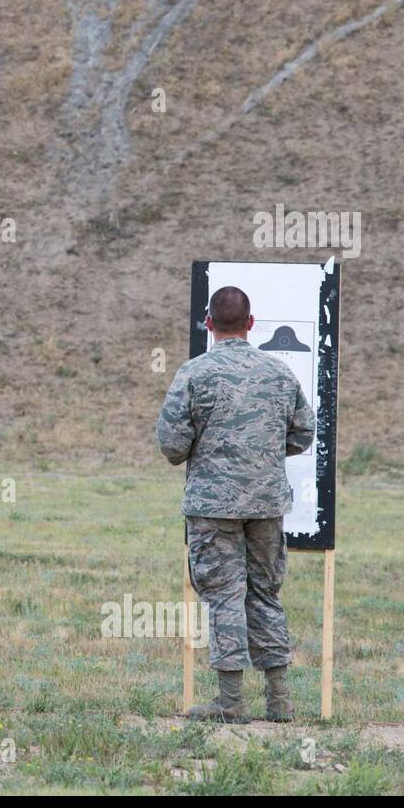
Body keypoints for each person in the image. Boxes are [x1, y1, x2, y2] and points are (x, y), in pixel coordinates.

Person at [156, 285, 315, 723]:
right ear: (250, 323)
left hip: (212, 506)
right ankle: (280, 701)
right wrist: (260, 452)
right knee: (265, 593)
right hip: (266, 505)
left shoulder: (193, 374)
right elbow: (304, 432)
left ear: (208, 324)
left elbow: (171, 445)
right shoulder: (279, 374)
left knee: (225, 596)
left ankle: (230, 703)